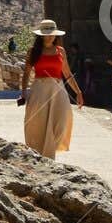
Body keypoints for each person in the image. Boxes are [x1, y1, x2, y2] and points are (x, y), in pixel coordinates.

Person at [19, 19, 83, 159]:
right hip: (39, 90)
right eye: (46, 34)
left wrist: (78, 92)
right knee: (38, 123)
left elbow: (67, 73)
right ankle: (42, 156)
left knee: (62, 120)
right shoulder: (33, 51)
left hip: (58, 90)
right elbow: (26, 73)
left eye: (52, 34)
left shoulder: (61, 51)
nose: (49, 36)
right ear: (41, 35)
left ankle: (50, 151)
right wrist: (23, 93)